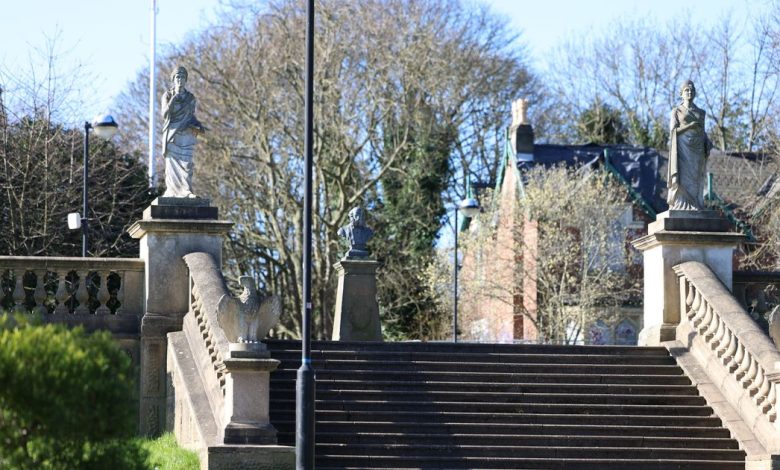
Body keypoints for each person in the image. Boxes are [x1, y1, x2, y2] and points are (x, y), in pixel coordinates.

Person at [667, 80, 711, 210]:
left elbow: (702, 132)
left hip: (697, 150)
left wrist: (707, 142)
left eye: (692, 90)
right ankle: (681, 204)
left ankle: (696, 203)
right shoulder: (676, 111)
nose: (689, 92)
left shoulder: (701, 112)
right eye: (686, 90)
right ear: (681, 93)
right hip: (682, 149)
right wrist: (689, 126)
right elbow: (673, 132)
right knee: (683, 176)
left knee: (696, 175)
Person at [161, 66, 205, 198]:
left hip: (186, 134)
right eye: (177, 77)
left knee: (187, 164)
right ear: (173, 79)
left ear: (186, 80)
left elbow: (191, 116)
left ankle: (186, 191)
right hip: (172, 134)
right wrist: (173, 100)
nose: (180, 80)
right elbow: (164, 114)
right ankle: (172, 192)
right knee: (172, 165)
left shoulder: (191, 98)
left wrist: (198, 125)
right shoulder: (167, 95)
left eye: (182, 77)